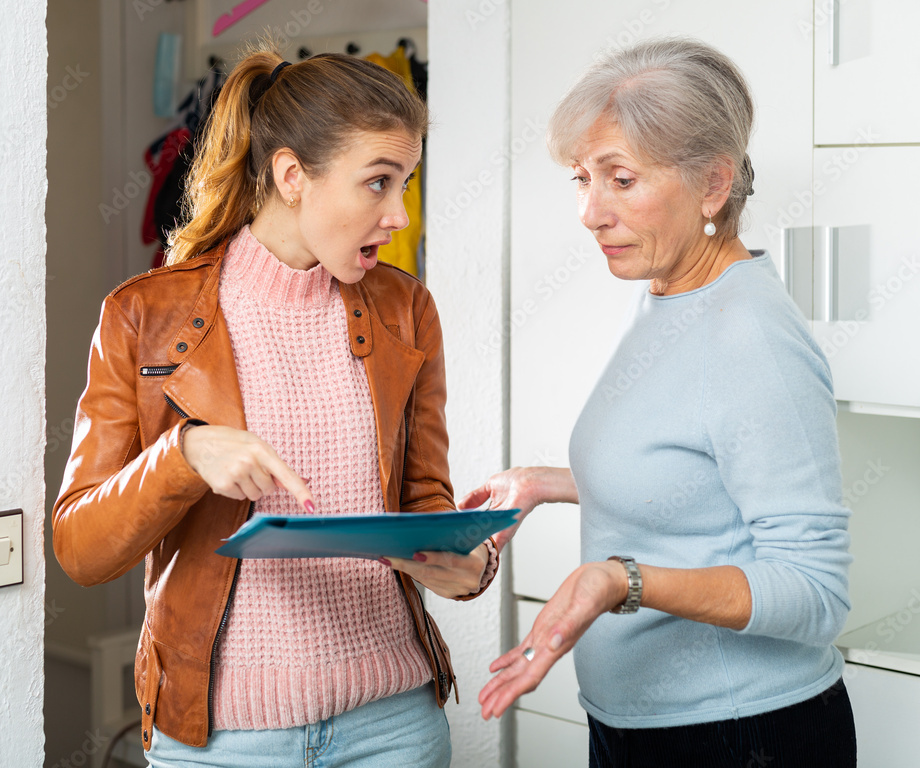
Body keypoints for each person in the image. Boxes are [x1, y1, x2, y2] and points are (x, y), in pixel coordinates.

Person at [52, 46, 500, 768]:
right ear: (292, 176)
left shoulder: (405, 309)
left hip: (393, 726)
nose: (399, 214)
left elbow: (425, 506)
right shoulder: (143, 315)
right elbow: (81, 547)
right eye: (379, 183)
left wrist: (467, 565)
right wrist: (184, 454)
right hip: (221, 740)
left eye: (408, 183)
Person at [466, 38, 856, 767]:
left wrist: (623, 579)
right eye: (582, 179)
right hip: (639, 724)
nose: (590, 212)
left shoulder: (751, 338)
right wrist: (548, 483)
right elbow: (705, 473)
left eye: (621, 179)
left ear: (712, 184)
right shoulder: (673, 292)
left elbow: (815, 592)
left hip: (740, 735)